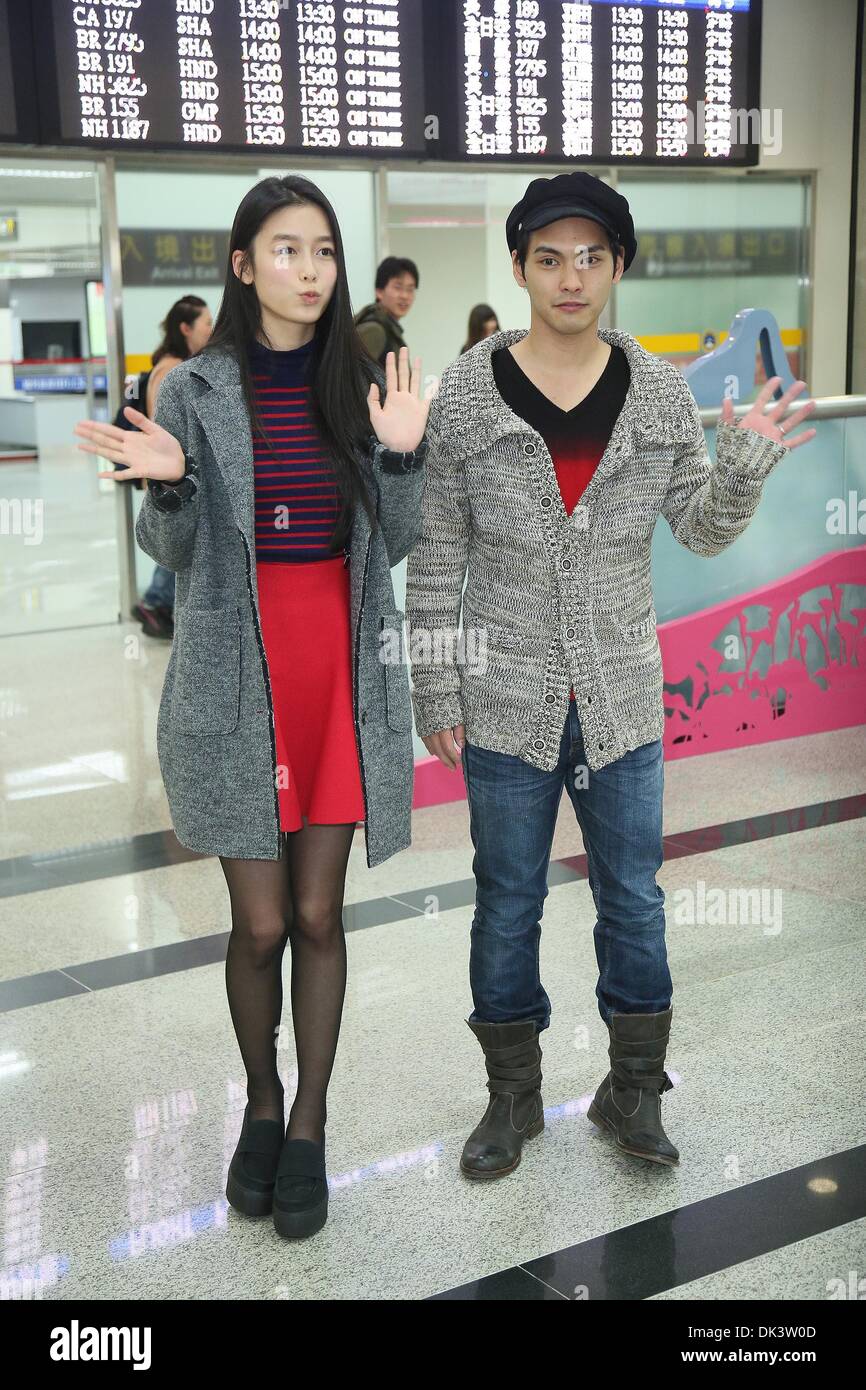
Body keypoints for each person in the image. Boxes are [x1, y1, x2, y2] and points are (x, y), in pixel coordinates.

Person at [405, 171, 816, 1182]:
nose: (570, 277)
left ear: (617, 266)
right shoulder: (464, 391)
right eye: (548, 258)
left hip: (625, 698)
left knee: (631, 899)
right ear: (518, 269)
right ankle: (510, 1096)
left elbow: (700, 531)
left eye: (590, 256)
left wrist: (743, 467)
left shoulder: (659, 391)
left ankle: (632, 1088)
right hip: (503, 699)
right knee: (506, 900)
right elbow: (436, 555)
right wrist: (433, 688)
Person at [74, 175, 431, 1240]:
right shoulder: (193, 390)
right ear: (241, 265)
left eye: (322, 250)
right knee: (261, 919)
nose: (309, 271)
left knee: (319, 915)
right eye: (285, 250)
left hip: (336, 660)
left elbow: (394, 542)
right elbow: (173, 555)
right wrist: (171, 487)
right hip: (240, 667)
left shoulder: (359, 378)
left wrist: (404, 451)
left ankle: (311, 1119)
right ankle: (261, 1101)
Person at [129, 296, 213, 639]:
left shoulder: (180, 365)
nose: (211, 330)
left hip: (178, 475)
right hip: (173, 477)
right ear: (185, 328)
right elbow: (165, 427)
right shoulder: (172, 372)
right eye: (206, 323)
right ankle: (155, 601)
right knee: (177, 545)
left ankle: (156, 601)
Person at [354, 255, 418, 367]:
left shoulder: (389, 328)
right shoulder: (374, 330)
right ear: (379, 291)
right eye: (398, 287)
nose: (405, 296)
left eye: (410, 289)